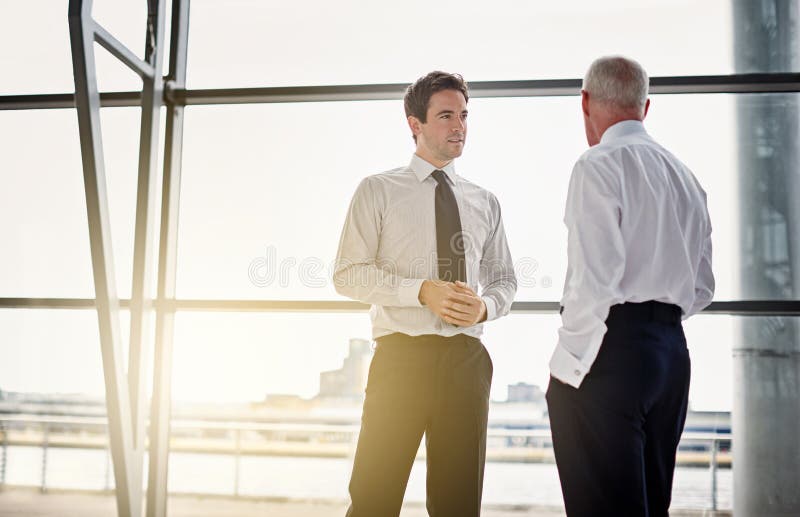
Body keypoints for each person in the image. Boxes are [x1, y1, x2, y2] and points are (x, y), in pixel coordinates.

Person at [333, 71, 517, 517]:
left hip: (466, 363)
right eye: (446, 116)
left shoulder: (484, 201)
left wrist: (486, 307)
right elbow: (347, 275)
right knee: (374, 498)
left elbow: (505, 280)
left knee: (458, 506)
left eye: (465, 116)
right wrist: (421, 292)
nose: (459, 127)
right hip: (401, 360)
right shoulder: (378, 190)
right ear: (415, 124)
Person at [546, 56, 714, 517]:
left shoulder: (598, 165)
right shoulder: (686, 176)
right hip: (671, 355)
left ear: (585, 101)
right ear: (646, 106)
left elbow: (594, 279)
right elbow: (702, 288)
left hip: (610, 353)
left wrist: (568, 365)